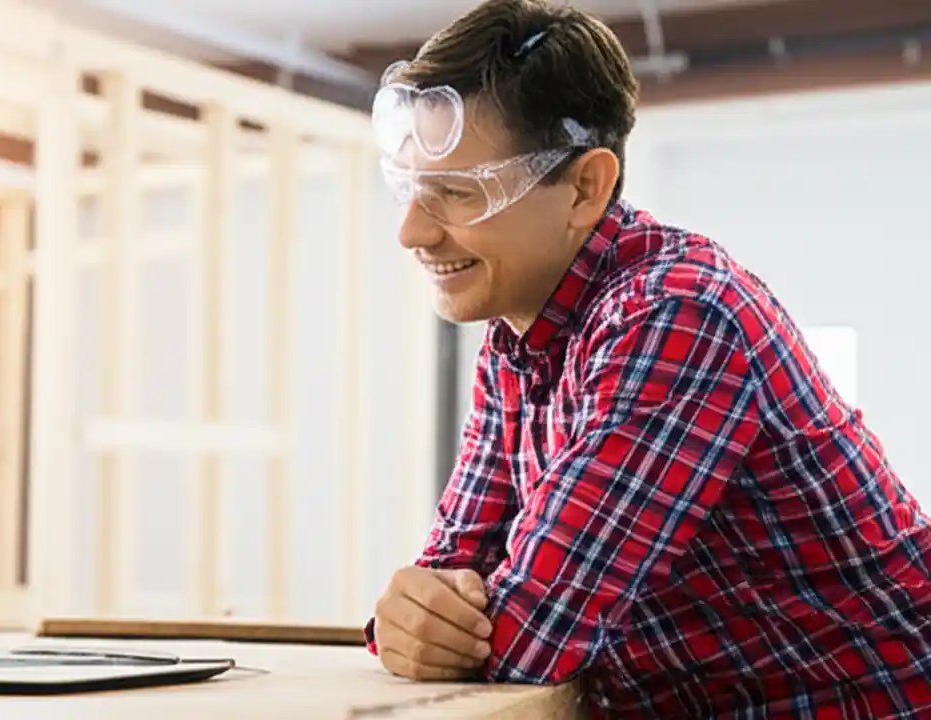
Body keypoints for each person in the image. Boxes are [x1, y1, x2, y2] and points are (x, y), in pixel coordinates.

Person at [364, 1, 931, 717]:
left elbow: (530, 635)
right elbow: (450, 583)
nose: (412, 230)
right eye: (409, 188)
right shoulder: (518, 345)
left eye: (457, 193)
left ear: (584, 187)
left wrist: (437, 622)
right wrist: (409, 618)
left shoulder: (678, 314)